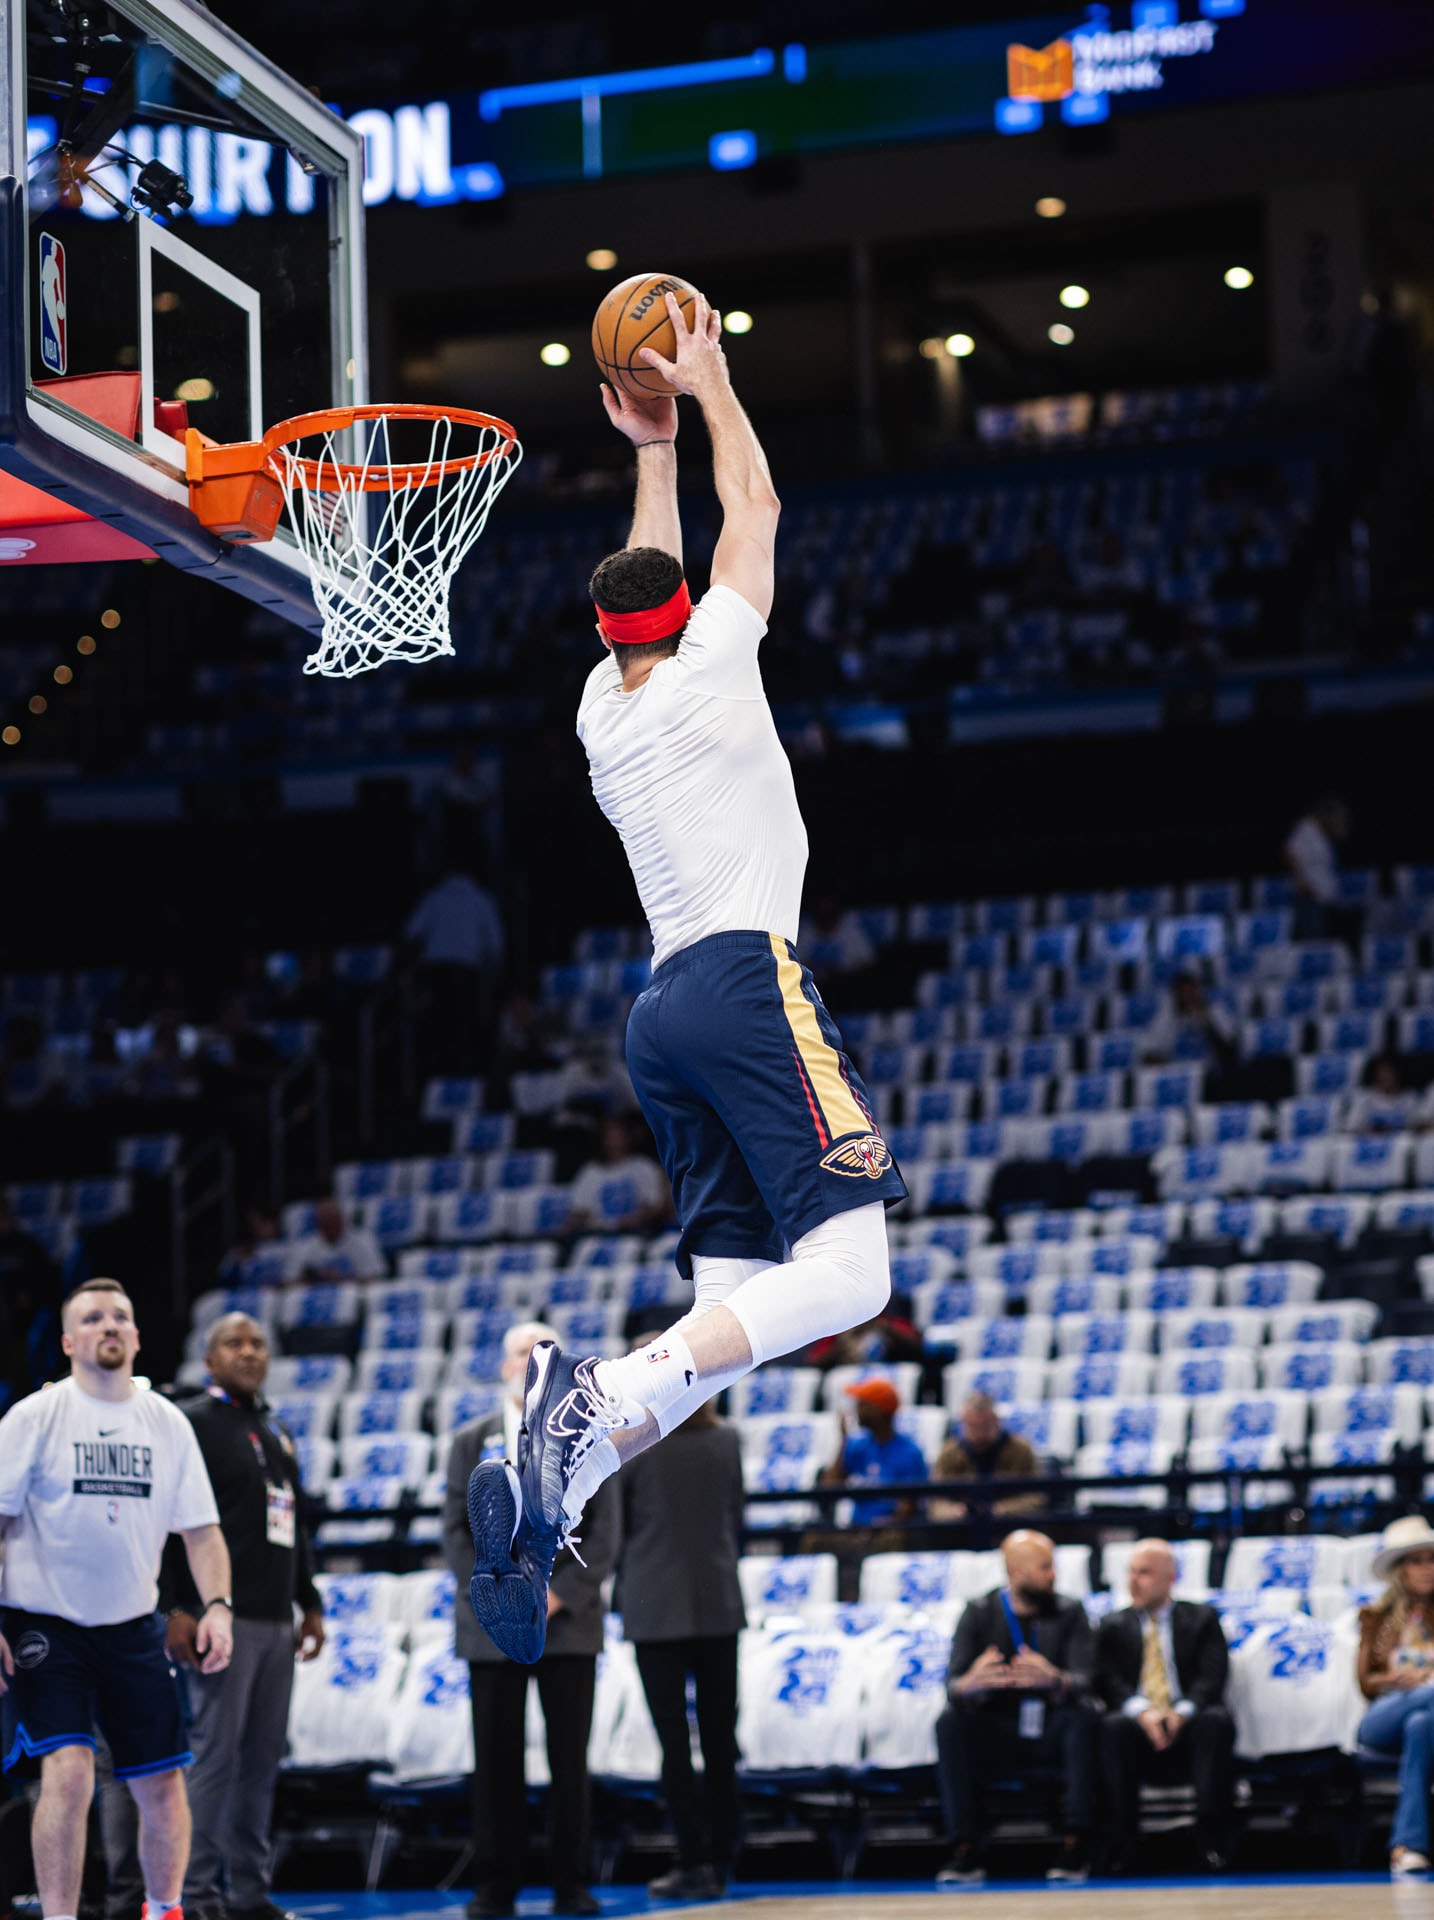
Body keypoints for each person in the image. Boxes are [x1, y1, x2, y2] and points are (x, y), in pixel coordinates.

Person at [467, 286, 906, 1665]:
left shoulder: (603, 703)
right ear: (684, 614)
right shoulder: (717, 652)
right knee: (853, 1280)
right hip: (737, 980)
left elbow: (654, 563)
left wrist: (646, 450)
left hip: (656, 1014)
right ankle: (591, 1388)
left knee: (732, 1303)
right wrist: (707, 391)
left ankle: (565, 1473)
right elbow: (757, 509)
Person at [0, 1279, 234, 1920]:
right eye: (93, 1317)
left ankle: (165, 1911)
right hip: (46, 1624)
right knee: (70, 1771)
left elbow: (202, 1530)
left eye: (121, 1317)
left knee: (160, 1779)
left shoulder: (167, 1423)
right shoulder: (33, 1417)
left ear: (135, 1336)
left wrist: (217, 1606)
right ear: (69, 1340)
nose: (110, 1325)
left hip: (134, 1625)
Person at [442, 1323, 619, 1919]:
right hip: (490, 1630)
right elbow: (453, 1533)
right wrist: (505, 1592)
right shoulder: (470, 1441)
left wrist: (551, 1594)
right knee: (495, 1763)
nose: (528, 1361)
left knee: (570, 1762)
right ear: (503, 1365)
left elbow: (607, 1532)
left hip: (566, 1626)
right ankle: (496, 1886)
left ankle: (572, 1883)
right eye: (520, 1351)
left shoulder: (591, 1434)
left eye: (542, 1353)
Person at [158, 1313, 325, 1920]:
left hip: (276, 1622)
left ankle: (249, 1892)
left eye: (258, 1342)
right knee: (214, 1761)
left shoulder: (276, 1430)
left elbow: (293, 1525)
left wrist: (311, 1603)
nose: (249, 1352)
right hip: (219, 1621)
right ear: (210, 1360)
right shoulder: (192, 1423)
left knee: (260, 1764)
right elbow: (172, 1526)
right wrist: (176, 1605)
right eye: (235, 1343)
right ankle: (197, 1894)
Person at [618, 1395, 745, 1902]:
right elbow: (736, 1516)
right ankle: (723, 1853)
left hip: (654, 1608)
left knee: (674, 1743)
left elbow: (616, 1529)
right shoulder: (728, 1440)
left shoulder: (629, 1444)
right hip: (717, 1600)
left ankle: (693, 1859)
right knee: (719, 1740)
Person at [934, 1529, 1095, 1886]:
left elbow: (1088, 1680)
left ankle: (1075, 1842)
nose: (1053, 1575)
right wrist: (969, 1685)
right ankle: (964, 1847)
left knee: (1082, 1716)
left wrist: (1055, 1679)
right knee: (950, 1721)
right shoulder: (977, 1613)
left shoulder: (1070, 1612)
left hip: (1052, 1728)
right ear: (1016, 1572)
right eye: (1045, 1567)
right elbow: (952, 1684)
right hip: (998, 1729)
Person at [1094, 1537, 1235, 1875]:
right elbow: (1109, 1682)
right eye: (1130, 1572)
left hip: (1189, 1725)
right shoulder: (1112, 1625)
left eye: (1143, 1573)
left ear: (1169, 1577)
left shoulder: (1202, 1619)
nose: (1132, 1581)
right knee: (1111, 1727)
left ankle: (1210, 1840)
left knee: (1216, 1720)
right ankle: (1124, 1844)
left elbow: (1212, 1678)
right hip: (1137, 1728)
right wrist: (1143, 1712)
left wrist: (1179, 1713)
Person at [1355, 1516, 1434, 1876]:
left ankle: (1409, 1845)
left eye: (1431, 1559)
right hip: (1384, 1714)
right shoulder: (1377, 1616)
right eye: (1417, 1561)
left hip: (1425, 1717)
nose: (1427, 1568)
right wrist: (1395, 1678)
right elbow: (1365, 1682)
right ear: (1401, 1570)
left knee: (1422, 1726)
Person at [817, 1379, 926, 1525]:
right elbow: (829, 1488)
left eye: (862, 1404)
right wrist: (843, 1440)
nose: (856, 1409)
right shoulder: (856, 1445)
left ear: (879, 1410)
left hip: (891, 1530)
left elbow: (907, 1509)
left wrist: (877, 1527)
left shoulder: (910, 1452)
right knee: (813, 1540)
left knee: (892, 1539)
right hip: (856, 1528)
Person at [929, 1392, 1042, 1521]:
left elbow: (1036, 1498)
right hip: (960, 1529)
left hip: (1010, 1524)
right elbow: (935, 1501)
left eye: (984, 1425)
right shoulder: (949, 1453)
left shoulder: (1021, 1450)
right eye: (972, 1426)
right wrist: (954, 1512)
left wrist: (1003, 1509)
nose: (979, 1433)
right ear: (963, 1422)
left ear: (997, 1421)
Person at [563, 1114, 671, 1237]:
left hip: (635, 1233)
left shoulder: (644, 1166)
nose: (615, 1141)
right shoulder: (591, 1171)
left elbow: (655, 1205)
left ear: (628, 1137)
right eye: (610, 1137)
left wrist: (636, 1219)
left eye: (619, 1136)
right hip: (597, 1234)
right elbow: (579, 1209)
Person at [282, 1197, 386, 1285]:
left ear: (342, 1220)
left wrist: (341, 1280)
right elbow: (288, 1282)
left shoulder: (363, 1240)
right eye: (324, 1222)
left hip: (352, 1297)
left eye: (333, 1221)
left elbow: (376, 1278)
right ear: (318, 1224)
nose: (329, 1226)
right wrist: (312, 1278)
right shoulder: (305, 1247)